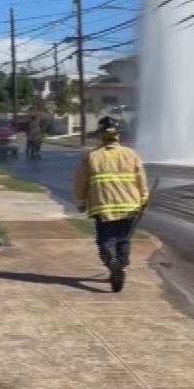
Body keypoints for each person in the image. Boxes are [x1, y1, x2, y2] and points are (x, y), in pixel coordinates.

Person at [72, 115, 148, 292]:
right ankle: (119, 266)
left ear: (101, 136)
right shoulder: (131, 155)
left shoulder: (92, 157)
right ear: (117, 136)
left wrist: (80, 202)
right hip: (129, 207)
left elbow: (80, 183)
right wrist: (144, 200)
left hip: (103, 207)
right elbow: (141, 181)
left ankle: (112, 263)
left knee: (105, 239)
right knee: (123, 239)